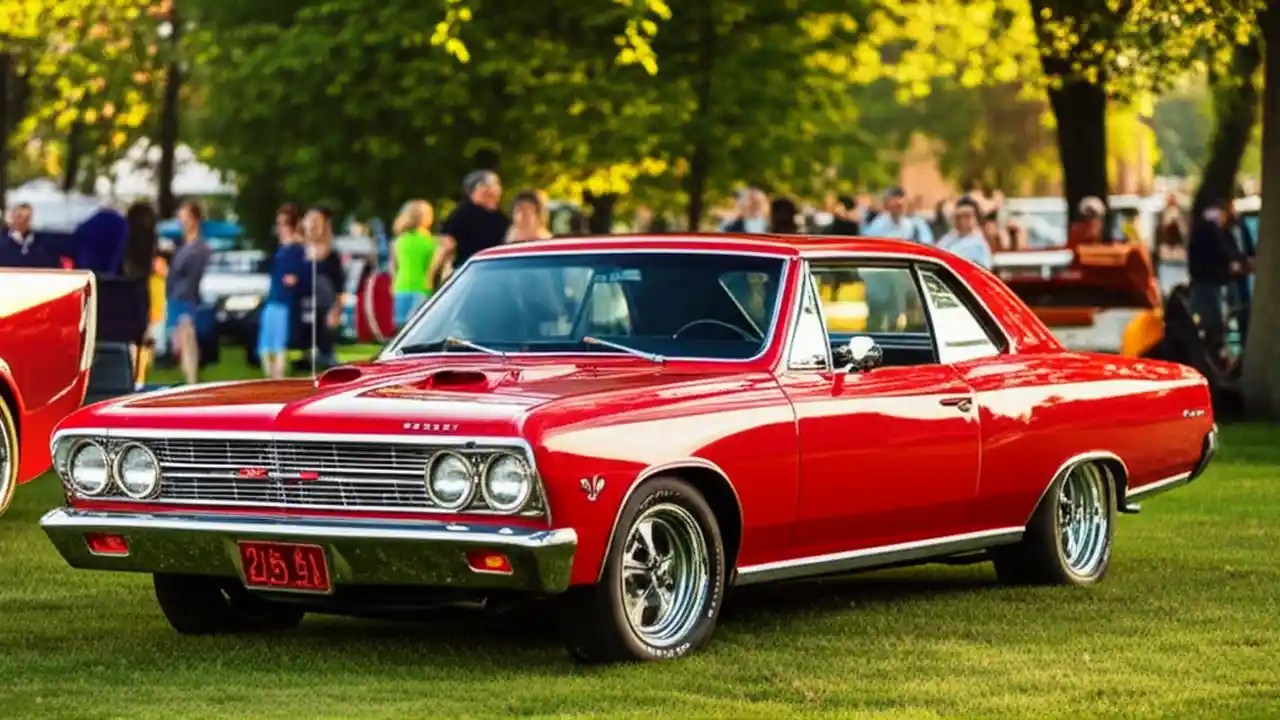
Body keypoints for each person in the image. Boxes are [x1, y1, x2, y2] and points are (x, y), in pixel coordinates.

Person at [431, 170, 510, 285]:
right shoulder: (460, 214)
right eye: (494, 184)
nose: (497, 189)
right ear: (480, 188)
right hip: (469, 274)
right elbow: (446, 245)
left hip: (498, 273)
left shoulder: (501, 217)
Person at [1188, 200, 1244, 359]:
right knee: (1213, 324)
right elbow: (1223, 254)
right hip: (1210, 284)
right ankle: (1215, 356)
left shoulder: (1203, 229)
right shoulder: (1212, 230)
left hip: (1205, 283)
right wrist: (1229, 267)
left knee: (1202, 322)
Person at [166, 200, 212, 385]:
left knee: (187, 340)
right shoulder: (183, 246)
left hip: (188, 299)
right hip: (176, 298)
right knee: (180, 343)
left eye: (184, 216)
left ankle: (192, 380)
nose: (181, 220)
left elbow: (194, 276)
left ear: (193, 219)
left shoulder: (200, 248)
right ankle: (189, 379)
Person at [258, 203, 306, 378]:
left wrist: (294, 278)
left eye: (283, 224)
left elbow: (298, 276)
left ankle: (278, 379)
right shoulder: (281, 248)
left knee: (279, 346)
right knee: (264, 347)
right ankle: (271, 379)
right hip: (273, 299)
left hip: (284, 303)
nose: (279, 228)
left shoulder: (297, 249)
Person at [298, 206, 346, 370]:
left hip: (325, 305)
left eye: (317, 221)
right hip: (304, 306)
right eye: (309, 220)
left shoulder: (332, 254)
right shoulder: (298, 251)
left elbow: (340, 285)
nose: (312, 225)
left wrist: (337, 310)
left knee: (325, 344)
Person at [123, 202, 160, 386]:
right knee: (140, 333)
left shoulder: (127, 239)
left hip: (127, 289)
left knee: (128, 336)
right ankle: (139, 376)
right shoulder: (150, 240)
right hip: (141, 288)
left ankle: (129, 376)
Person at [390, 199, 438, 327]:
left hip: (401, 286)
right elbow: (432, 268)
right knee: (419, 325)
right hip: (422, 286)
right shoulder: (431, 242)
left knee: (401, 327)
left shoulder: (399, 240)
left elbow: (394, 267)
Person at [937, 198, 993, 269]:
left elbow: (983, 270)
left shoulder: (979, 245)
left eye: (967, 216)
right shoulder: (948, 238)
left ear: (975, 218)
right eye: (958, 216)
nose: (962, 220)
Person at [862, 187, 933, 244]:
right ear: (886, 206)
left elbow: (927, 244)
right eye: (895, 205)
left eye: (902, 205)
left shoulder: (916, 225)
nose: (899, 208)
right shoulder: (877, 226)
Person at [1, 203, 61, 268]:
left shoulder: (43, 244)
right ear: (12, 218)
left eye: (26, 218)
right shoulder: (3, 243)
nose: (21, 221)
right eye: (18, 217)